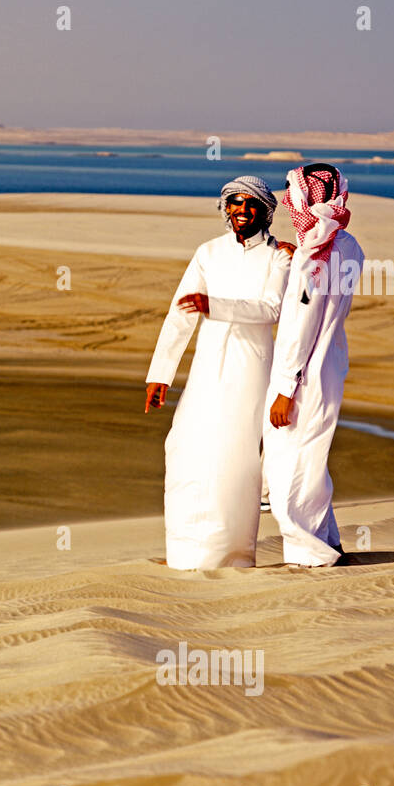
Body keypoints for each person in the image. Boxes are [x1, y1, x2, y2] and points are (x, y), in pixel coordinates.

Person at [145, 177, 293, 569]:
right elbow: (180, 314)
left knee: (233, 458)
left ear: (266, 211)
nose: (241, 211)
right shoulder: (208, 253)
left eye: (251, 205)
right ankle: (184, 555)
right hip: (206, 367)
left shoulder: (279, 257)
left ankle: (232, 557)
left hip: (251, 367)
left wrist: (215, 305)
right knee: (185, 448)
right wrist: (160, 374)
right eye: (234, 203)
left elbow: (271, 309)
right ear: (224, 208)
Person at [264, 163, 364, 567]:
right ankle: (329, 541)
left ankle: (312, 555)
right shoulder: (349, 244)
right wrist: (300, 254)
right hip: (331, 367)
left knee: (291, 467)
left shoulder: (314, 256)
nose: (288, 202)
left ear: (307, 199)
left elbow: (301, 324)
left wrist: (286, 388)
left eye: (293, 195)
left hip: (302, 375)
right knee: (310, 459)